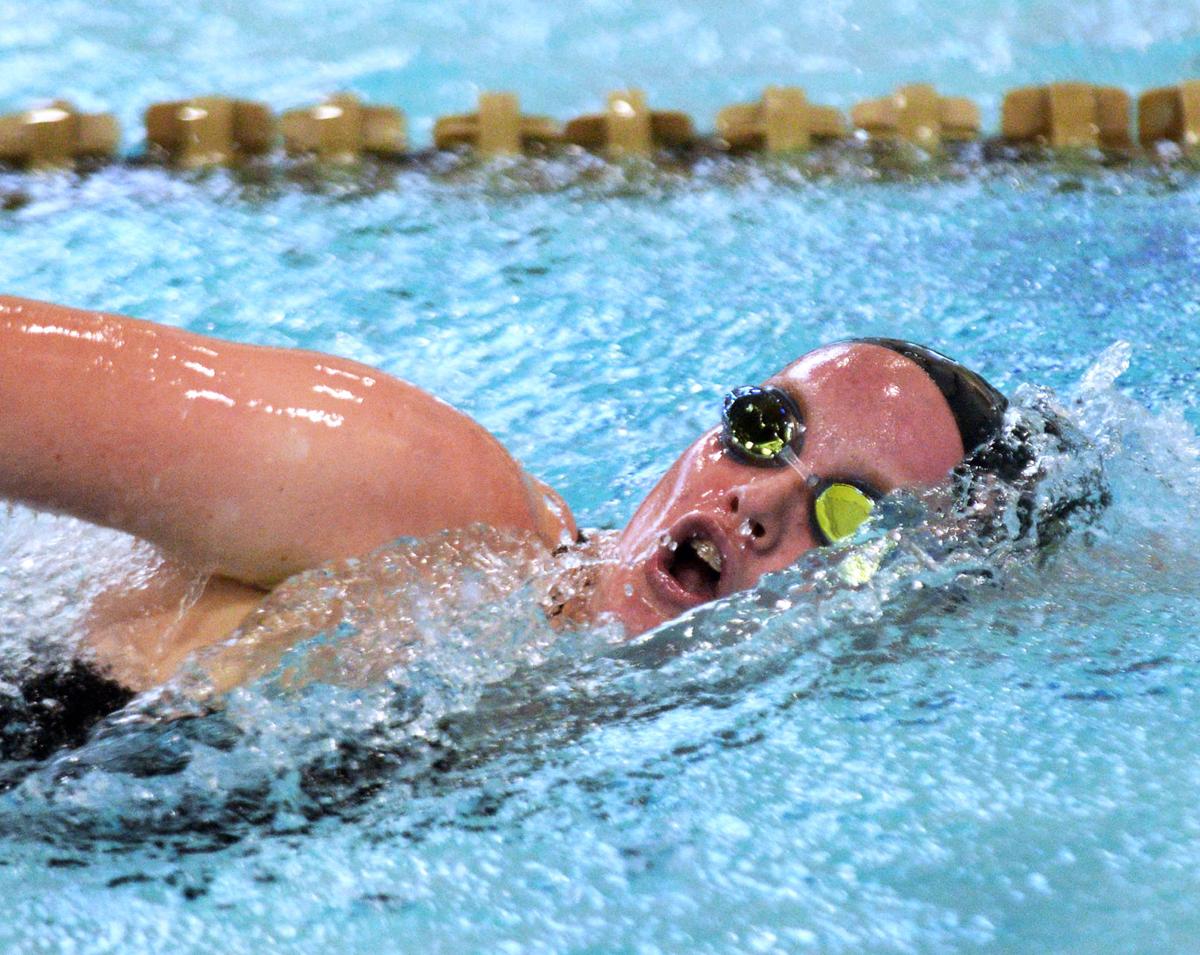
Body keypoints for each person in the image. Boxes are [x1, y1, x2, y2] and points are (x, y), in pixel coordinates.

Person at [0, 294, 1017, 744]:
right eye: (764, 428)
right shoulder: (429, 495)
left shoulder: (563, 700)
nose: (759, 499)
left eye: (843, 518)